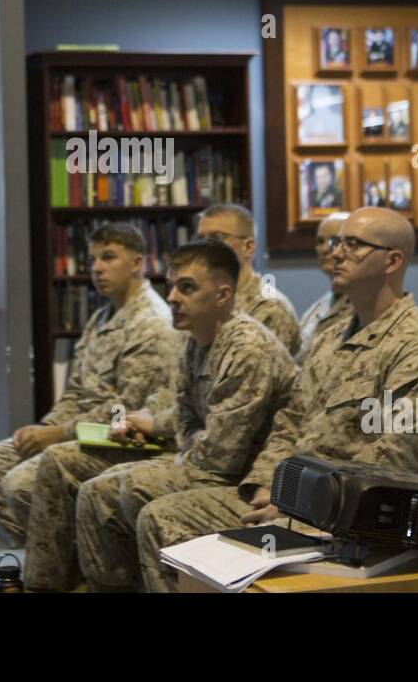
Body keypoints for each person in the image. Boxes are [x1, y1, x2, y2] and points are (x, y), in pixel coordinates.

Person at [133, 208, 418, 592]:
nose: (337, 252)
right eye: (337, 242)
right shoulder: (330, 338)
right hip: (288, 505)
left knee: (170, 520)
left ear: (393, 260)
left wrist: (300, 502)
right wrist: (265, 487)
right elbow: (289, 422)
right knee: (159, 516)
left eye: (353, 245)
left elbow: (397, 466)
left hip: (352, 523)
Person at [73, 239, 295, 592]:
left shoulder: (247, 348)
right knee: (96, 492)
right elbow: (185, 420)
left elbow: (221, 458)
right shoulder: (193, 341)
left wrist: (191, 442)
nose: (173, 297)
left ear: (222, 295)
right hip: (205, 462)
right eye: (172, 286)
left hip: (250, 480)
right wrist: (192, 441)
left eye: (187, 288)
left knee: (140, 495)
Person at [0, 222, 179, 547]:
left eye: (108, 258)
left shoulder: (153, 323)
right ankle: (56, 556)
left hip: (118, 441)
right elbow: (76, 390)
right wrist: (46, 427)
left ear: (136, 263)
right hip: (80, 431)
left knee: (19, 485)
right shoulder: (101, 317)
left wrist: (59, 434)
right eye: (93, 260)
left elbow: (124, 408)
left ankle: (61, 562)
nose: (97, 269)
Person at [195, 203, 301, 355]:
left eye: (215, 238)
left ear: (248, 247)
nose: (203, 247)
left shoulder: (270, 308)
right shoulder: (203, 300)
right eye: (199, 239)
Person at [296, 214, 354, 361]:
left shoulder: (365, 308)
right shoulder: (317, 308)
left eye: (334, 241)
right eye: (320, 241)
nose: (324, 249)